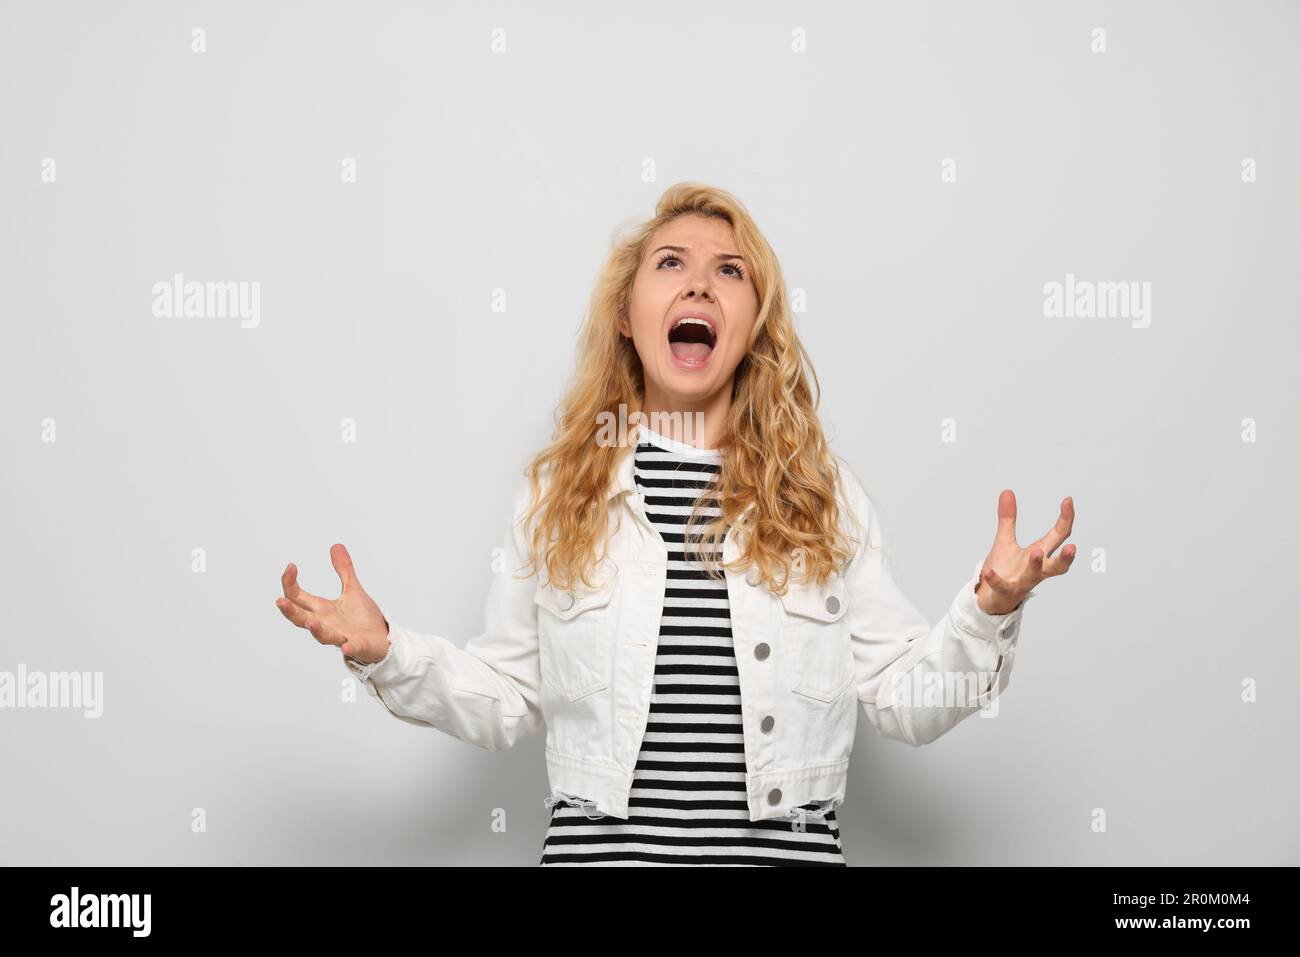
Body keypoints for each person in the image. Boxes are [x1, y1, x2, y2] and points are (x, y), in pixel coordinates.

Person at [274, 182, 1077, 865]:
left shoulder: (822, 496)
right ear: (628, 315)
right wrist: (387, 653)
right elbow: (507, 696)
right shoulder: (559, 493)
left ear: (754, 320)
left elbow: (908, 700)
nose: (699, 286)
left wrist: (989, 612)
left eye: (729, 271)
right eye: (671, 265)